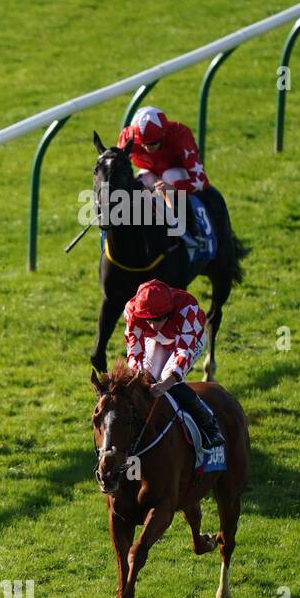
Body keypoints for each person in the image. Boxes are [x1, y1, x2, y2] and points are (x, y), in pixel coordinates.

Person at [123, 280, 223, 449]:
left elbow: (183, 353)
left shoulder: (186, 309)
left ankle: (209, 424)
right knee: (147, 377)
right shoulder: (131, 310)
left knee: (167, 378)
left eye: (159, 319)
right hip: (158, 340)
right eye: (148, 320)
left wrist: (165, 384)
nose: (154, 324)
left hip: (191, 338)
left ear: (169, 312)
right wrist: (137, 378)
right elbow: (134, 350)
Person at [117, 106, 221, 256]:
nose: (147, 147)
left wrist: (174, 188)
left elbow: (201, 181)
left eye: (152, 143)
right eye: (143, 143)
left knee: (169, 176)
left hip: (178, 173)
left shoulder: (180, 134)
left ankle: (189, 233)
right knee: (138, 183)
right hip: (150, 173)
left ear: (163, 135)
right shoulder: (128, 136)